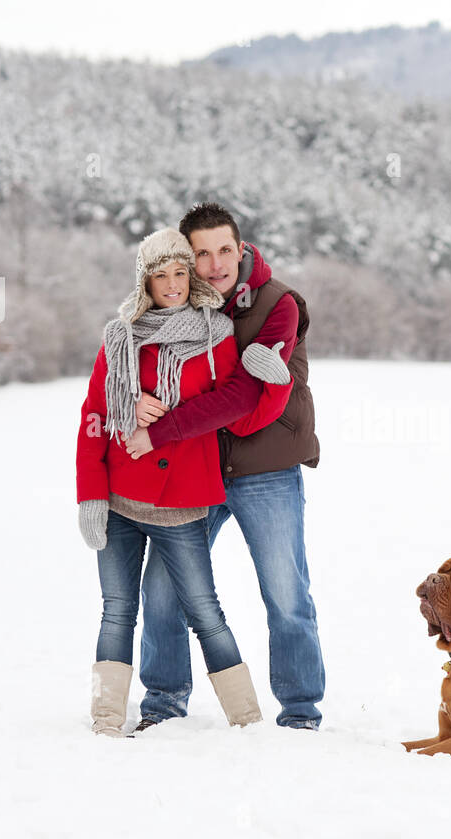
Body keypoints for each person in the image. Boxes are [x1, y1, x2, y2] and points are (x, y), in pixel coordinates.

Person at [75, 226, 293, 736]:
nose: (171, 284)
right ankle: (106, 721)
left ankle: (248, 720)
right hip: (121, 498)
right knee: (117, 612)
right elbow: (92, 417)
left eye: (179, 272)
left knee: (204, 611)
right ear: (144, 282)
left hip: (184, 505)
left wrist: (273, 383)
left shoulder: (215, 335)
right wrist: (91, 493)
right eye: (160, 275)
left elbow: (237, 415)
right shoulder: (119, 336)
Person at [122, 202, 325, 731]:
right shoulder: (178, 303)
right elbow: (133, 370)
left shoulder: (280, 304)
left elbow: (241, 399)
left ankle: (300, 711)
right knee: (162, 587)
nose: (214, 265)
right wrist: (135, 404)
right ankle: (164, 703)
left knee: (286, 592)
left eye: (224, 250)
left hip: (267, 469)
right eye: (201, 254)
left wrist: (160, 431)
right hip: (198, 469)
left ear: (242, 248)